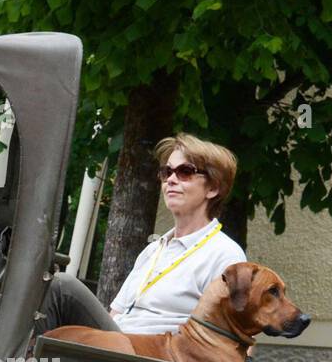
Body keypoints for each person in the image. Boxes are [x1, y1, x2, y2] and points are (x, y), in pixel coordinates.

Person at [39, 133, 245, 335]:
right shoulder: (153, 249)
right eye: (167, 172)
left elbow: (238, 336)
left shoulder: (224, 255)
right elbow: (115, 315)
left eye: (185, 172)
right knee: (44, 288)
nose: (171, 180)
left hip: (153, 360)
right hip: (118, 346)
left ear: (213, 188)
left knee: (62, 286)